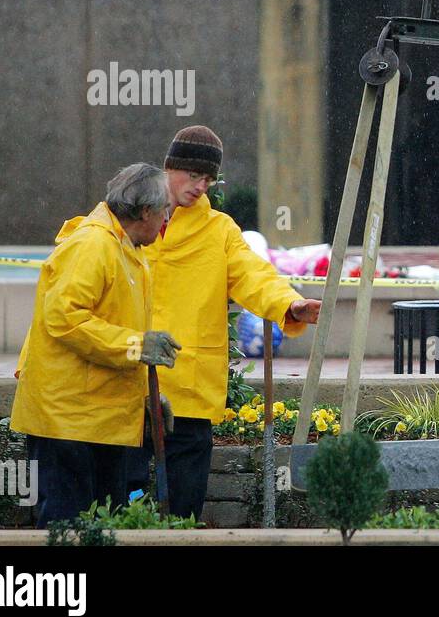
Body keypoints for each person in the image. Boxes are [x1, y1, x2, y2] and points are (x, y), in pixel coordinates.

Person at [124, 125, 321, 519]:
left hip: (189, 393)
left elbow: (254, 275)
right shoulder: (129, 220)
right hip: (127, 385)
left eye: (208, 178)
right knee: (121, 504)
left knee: (182, 510)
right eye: (193, 175)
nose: (201, 186)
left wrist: (289, 304)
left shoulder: (219, 231)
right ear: (168, 168)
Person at [11, 163, 181, 527]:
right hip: (68, 420)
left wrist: (144, 400)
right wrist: (136, 346)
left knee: (100, 527)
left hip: (92, 417)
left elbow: (109, 327)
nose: (168, 218)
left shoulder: (125, 247)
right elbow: (65, 318)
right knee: (68, 525)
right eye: (165, 209)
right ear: (146, 211)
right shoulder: (93, 245)